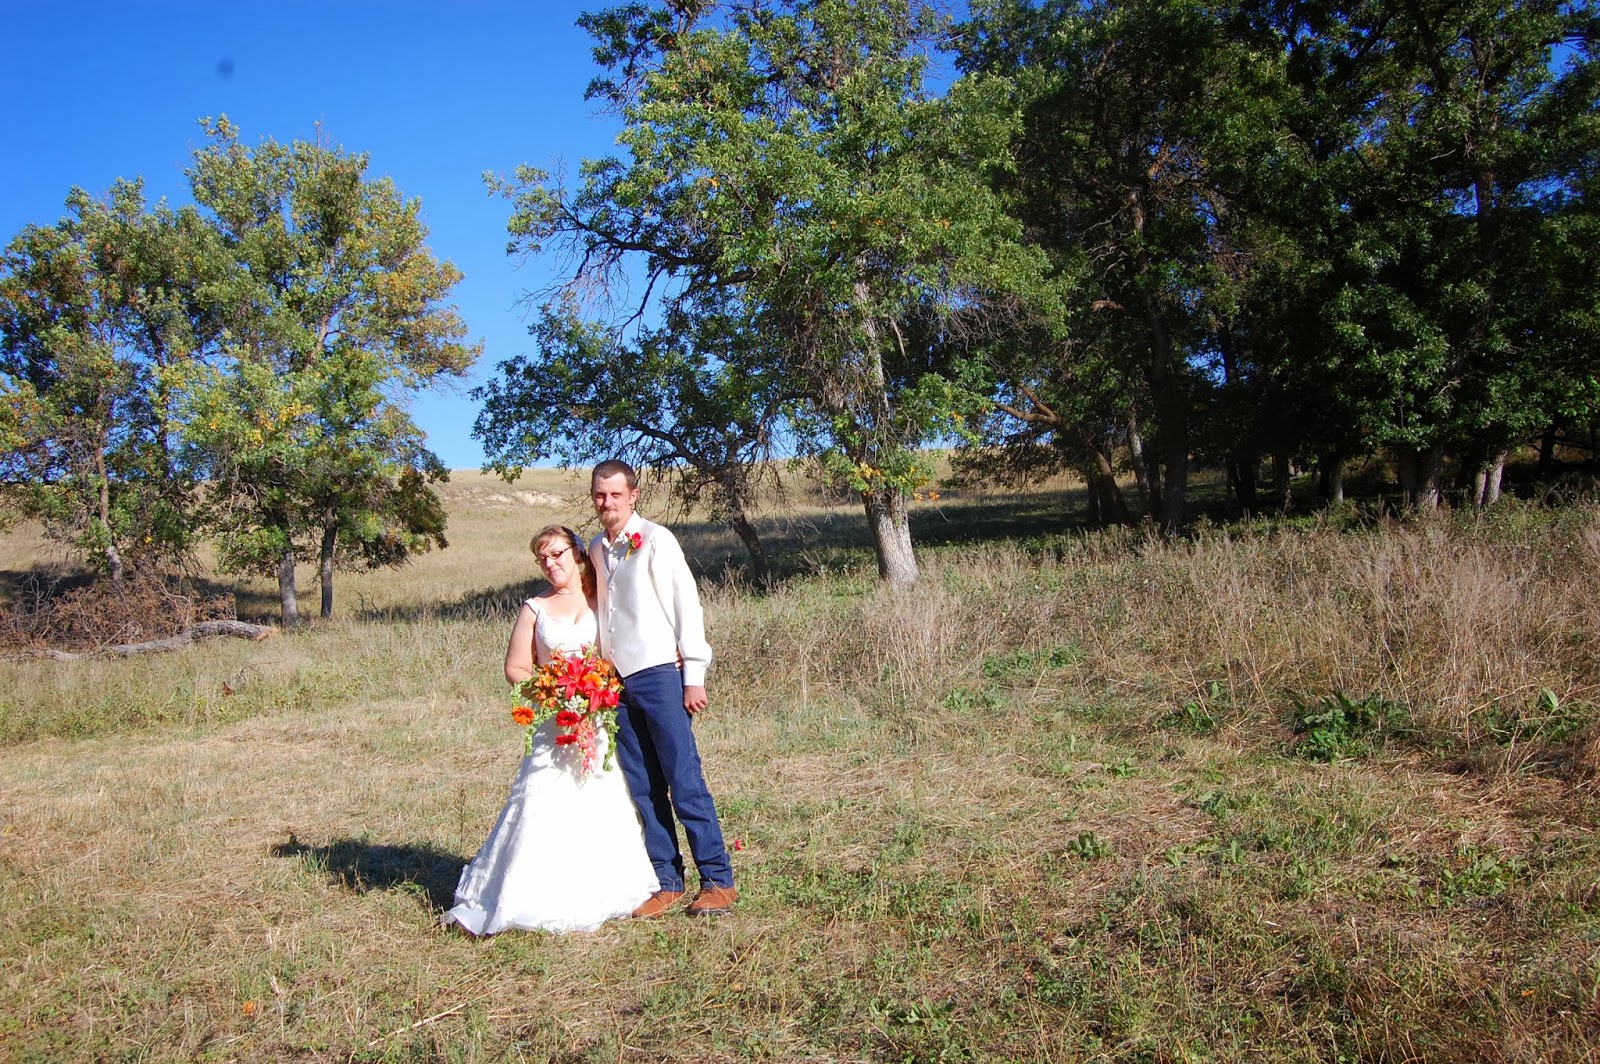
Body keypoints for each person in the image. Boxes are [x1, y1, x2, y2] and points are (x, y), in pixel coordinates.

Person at [441, 524, 658, 936]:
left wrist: (599, 687)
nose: (550, 563)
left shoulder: (601, 601)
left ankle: (603, 886)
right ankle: (528, 894)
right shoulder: (534, 608)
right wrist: (554, 691)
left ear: (576, 553)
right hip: (556, 720)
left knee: (599, 797)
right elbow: (515, 668)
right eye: (542, 558)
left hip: (595, 718)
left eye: (557, 554)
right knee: (542, 798)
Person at [589, 459, 737, 917]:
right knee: (643, 785)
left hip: (659, 674)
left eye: (615, 494)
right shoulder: (595, 548)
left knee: (683, 778)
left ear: (633, 495)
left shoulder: (656, 539)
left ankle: (718, 879)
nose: (607, 502)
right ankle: (667, 880)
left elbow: (685, 604)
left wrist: (693, 674)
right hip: (616, 681)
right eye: (600, 495)